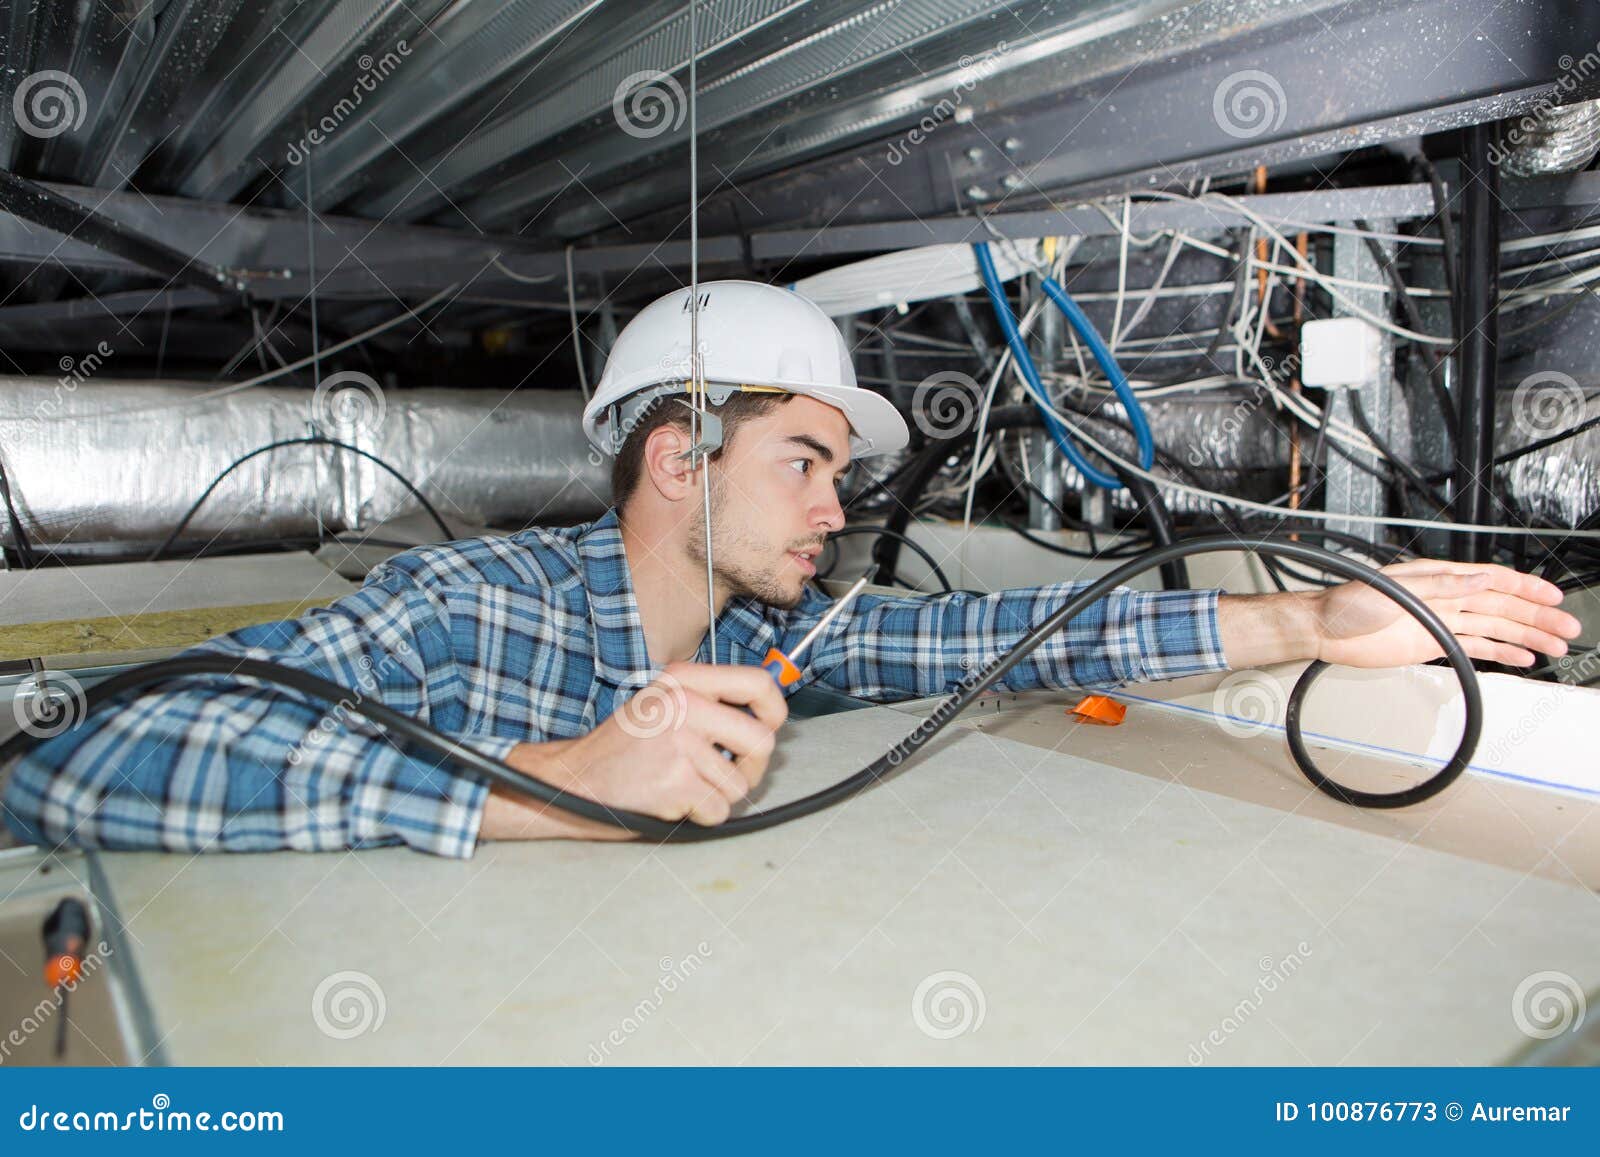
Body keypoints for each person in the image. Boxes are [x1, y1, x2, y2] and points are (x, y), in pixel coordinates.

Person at [1, 282, 1580, 857]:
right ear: (681, 459)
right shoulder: (471, 603)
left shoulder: (789, 633)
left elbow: (1013, 636)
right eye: (805, 462)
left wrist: (1310, 616)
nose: (837, 507)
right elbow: (80, 758)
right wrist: (551, 784)